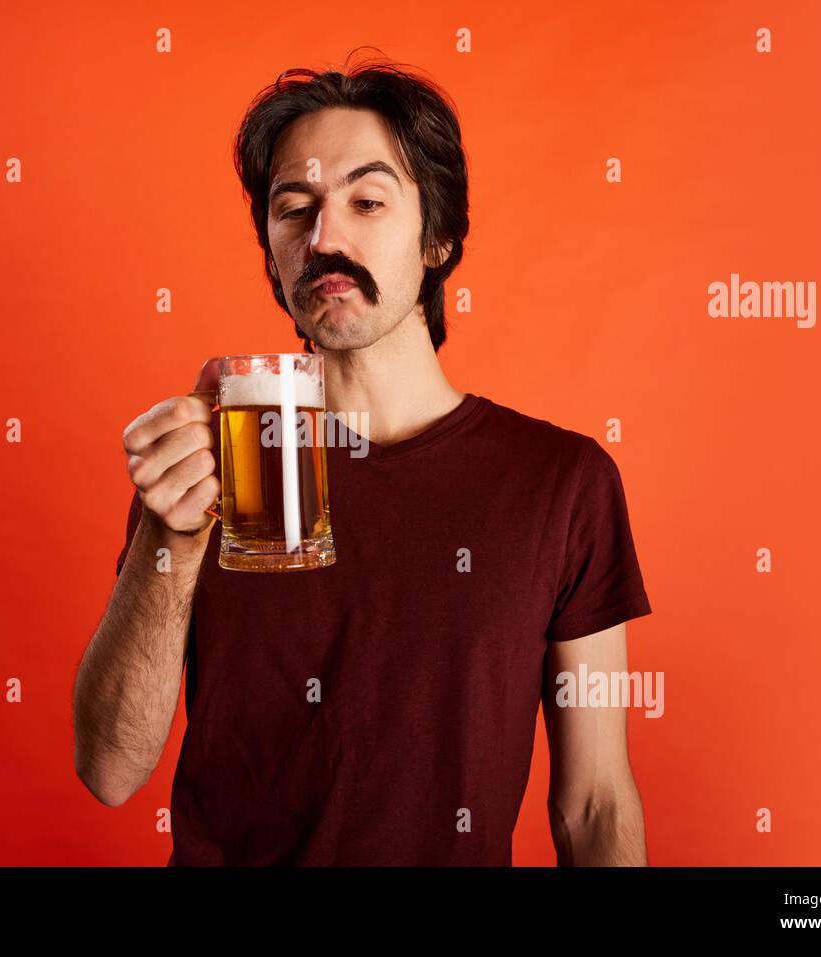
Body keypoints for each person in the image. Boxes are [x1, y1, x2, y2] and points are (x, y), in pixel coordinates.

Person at [73, 52, 654, 865]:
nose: (324, 237)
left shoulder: (562, 482)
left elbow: (593, 805)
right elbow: (109, 768)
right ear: (273, 253)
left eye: (367, 200)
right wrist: (169, 540)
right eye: (293, 208)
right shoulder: (217, 464)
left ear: (439, 237)